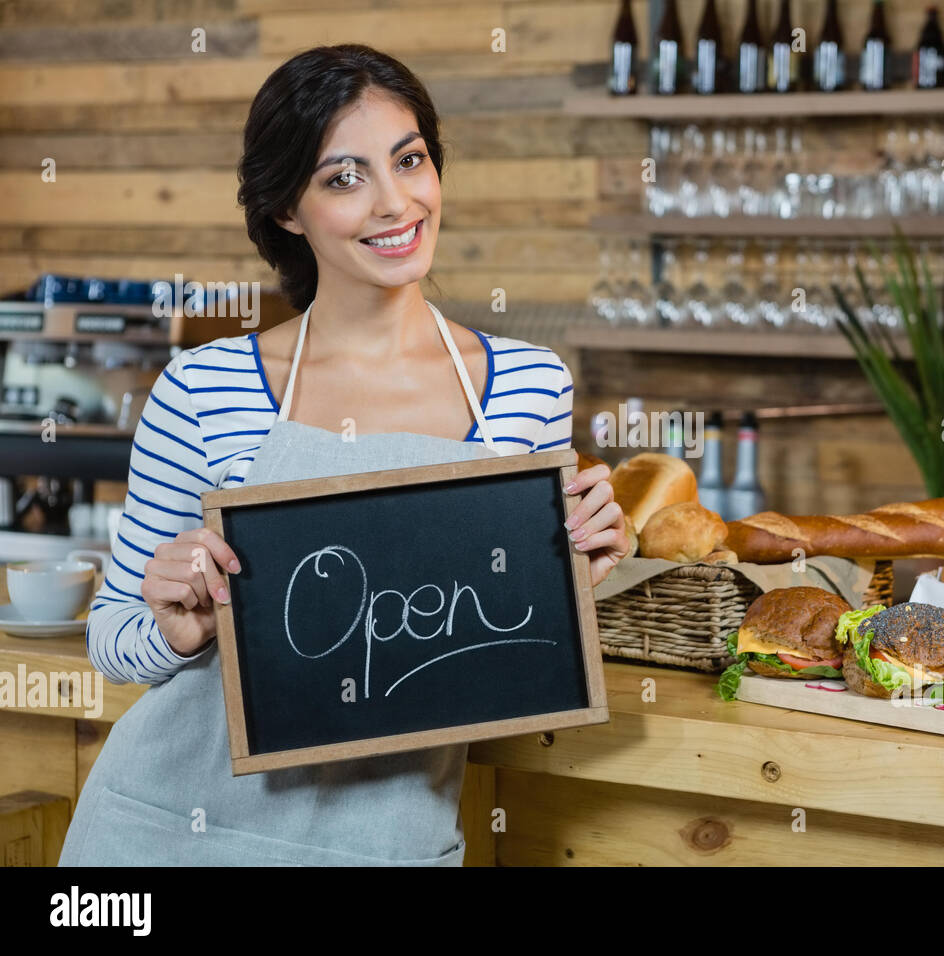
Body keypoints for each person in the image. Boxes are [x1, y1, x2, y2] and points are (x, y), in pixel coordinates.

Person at [57, 44, 629, 866]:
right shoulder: (201, 386)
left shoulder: (528, 388)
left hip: (387, 841)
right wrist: (176, 630)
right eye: (343, 177)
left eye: (410, 160)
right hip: (169, 831)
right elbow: (113, 639)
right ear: (288, 209)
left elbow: (506, 656)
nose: (396, 203)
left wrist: (581, 572)